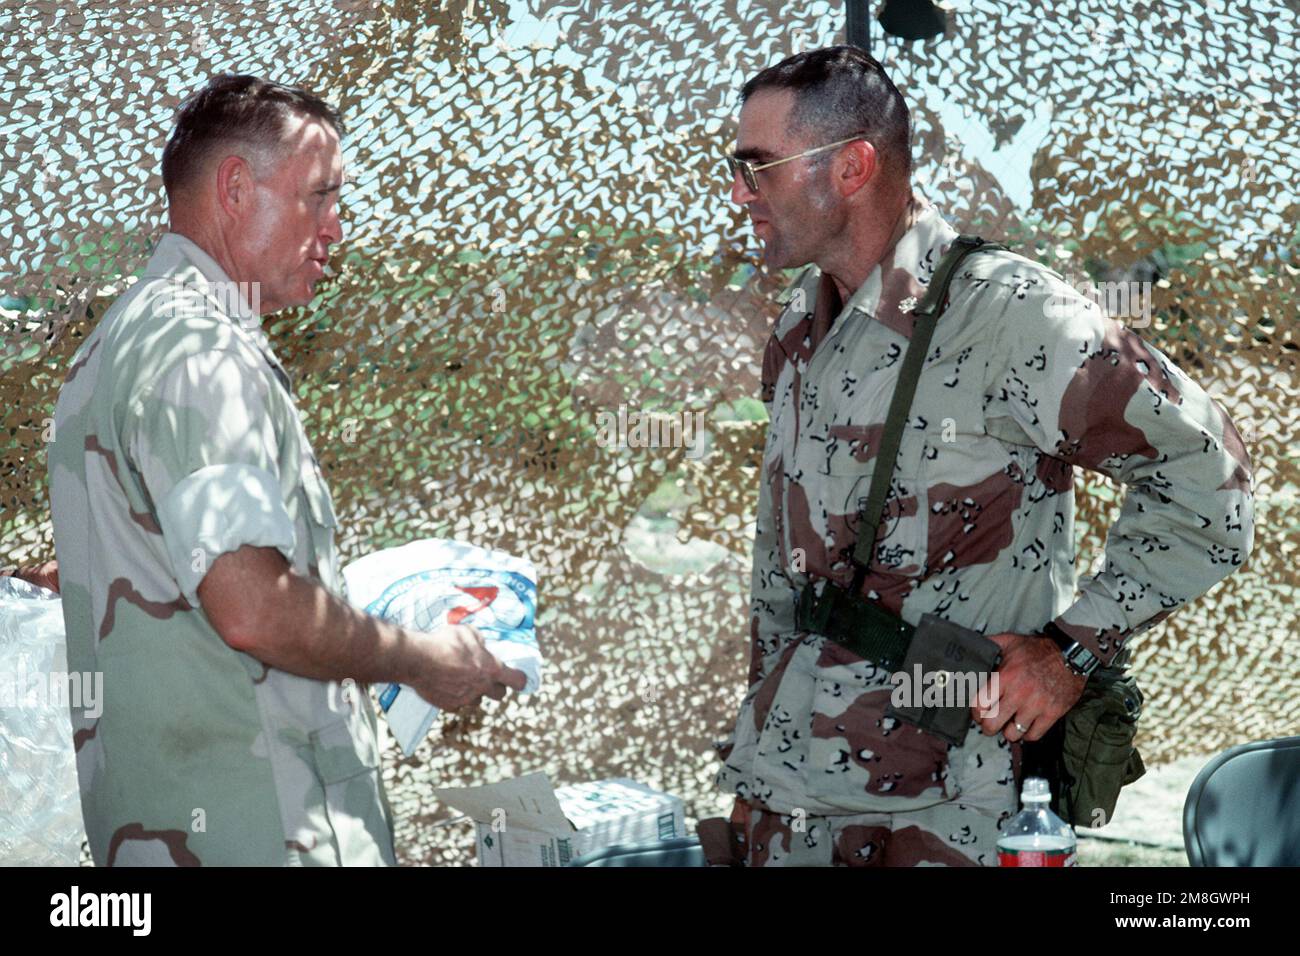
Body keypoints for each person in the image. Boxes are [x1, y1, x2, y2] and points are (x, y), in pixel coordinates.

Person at [710, 46, 1253, 866]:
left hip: (941, 811)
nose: (739, 194)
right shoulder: (799, 326)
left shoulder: (1005, 315)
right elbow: (780, 562)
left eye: (758, 168)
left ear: (851, 166)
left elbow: (1210, 480)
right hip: (790, 792)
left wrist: (1074, 648)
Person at [47, 74, 525, 866]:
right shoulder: (201, 350)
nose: (336, 227)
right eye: (319, 197)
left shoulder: (123, 341)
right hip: (258, 828)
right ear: (236, 189)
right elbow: (254, 610)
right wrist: (420, 658)